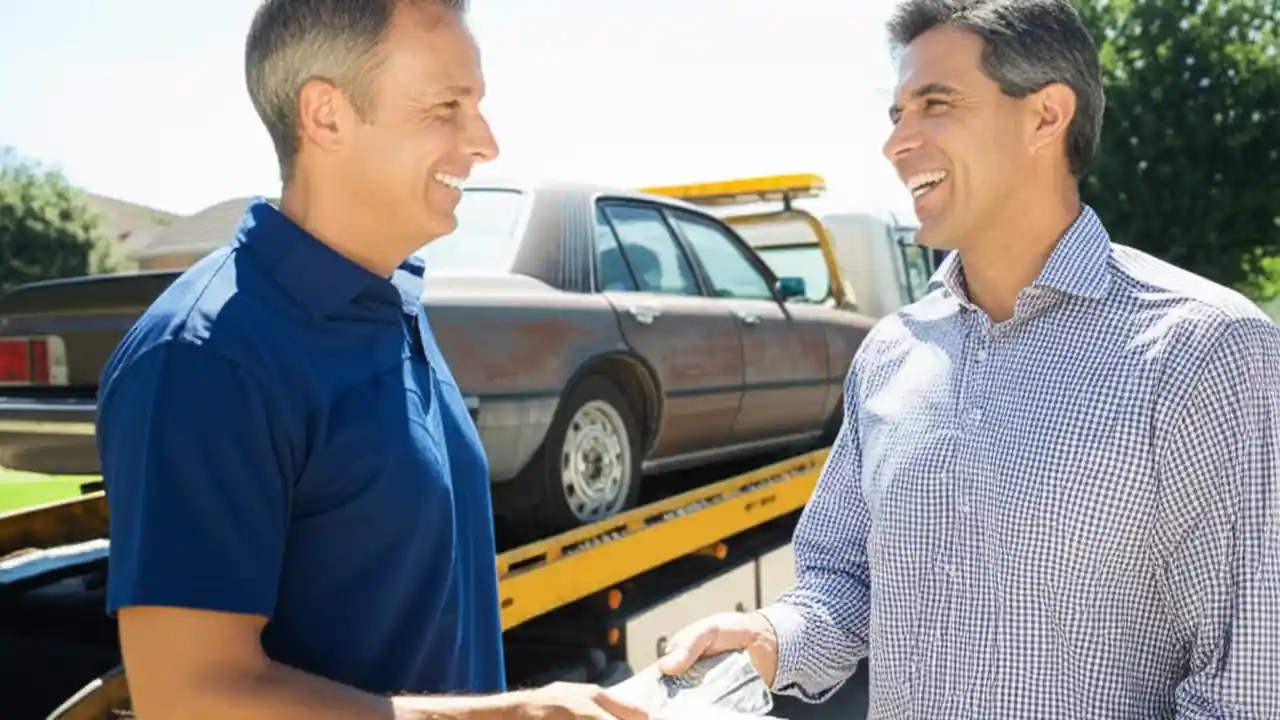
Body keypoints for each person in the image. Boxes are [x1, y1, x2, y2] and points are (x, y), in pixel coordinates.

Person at [658, 0, 1279, 716]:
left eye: (936, 103)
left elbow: (1249, 686)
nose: (897, 143)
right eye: (896, 114)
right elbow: (845, 579)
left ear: (1046, 116)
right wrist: (769, 636)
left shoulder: (1207, 352)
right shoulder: (892, 355)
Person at [95, 1, 647, 718]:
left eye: (476, 103)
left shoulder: (394, 300)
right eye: (447, 106)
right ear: (325, 116)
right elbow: (190, 696)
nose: (485, 141)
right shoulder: (204, 358)